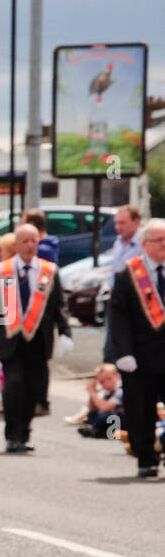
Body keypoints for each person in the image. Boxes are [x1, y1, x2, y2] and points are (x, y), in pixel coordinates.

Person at [0, 223, 72, 453]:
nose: (30, 246)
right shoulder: (0, 271)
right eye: (26, 241)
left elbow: (60, 305)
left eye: (34, 242)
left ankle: (25, 432)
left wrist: (65, 333)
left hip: (38, 340)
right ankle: (12, 434)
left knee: (34, 388)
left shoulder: (49, 271)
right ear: (16, 245)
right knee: (14, 385)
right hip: (10, 340)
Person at [107, 218, 165, 478]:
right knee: (141, 409)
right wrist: (124, 352)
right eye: (159, 240)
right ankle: (146, 458)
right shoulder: (128, 275)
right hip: (140, 356)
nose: (164, 245)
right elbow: (118, 317)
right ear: (144, 244)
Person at [104, 205, 143, 360]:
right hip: (115, 299)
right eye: (116, 223)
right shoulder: (118, 243)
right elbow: (115, 269)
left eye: (123, 222)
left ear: (136, 222)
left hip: (135, 302)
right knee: (111, 344)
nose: (118, 227)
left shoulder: (144, 244)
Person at [78, 363, 123, 438]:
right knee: (92, 415)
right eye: (102, 382)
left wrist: (92, 392)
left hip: (121, 419)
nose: (106, 384)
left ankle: (97, 431)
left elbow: (105, 407)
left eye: (109, 379)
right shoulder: (107, 392)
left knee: (105, 418)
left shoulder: (120, 391)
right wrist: (92, 391)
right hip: (110, 419)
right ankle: (96, 429)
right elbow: (92, 409)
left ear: (117, 377)